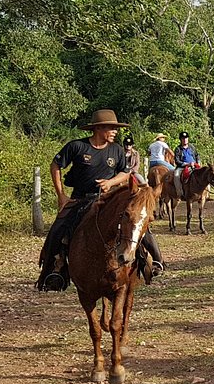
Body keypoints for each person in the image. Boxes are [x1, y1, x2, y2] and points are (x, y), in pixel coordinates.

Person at [36, 109, 164, 291]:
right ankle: (54, 271)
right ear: (98, 129)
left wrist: (111, 182)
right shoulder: (77, 147)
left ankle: (154, 261)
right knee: (59, 229)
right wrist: (61, 195)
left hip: (110, 199)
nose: (115, 131)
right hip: (81, 199)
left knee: (138, 224)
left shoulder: (117, 150)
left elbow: (125, 172)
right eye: (111, 128)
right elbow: (55, 165)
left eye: (115, 128)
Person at [172, 131, 200, 198]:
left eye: (186, 138)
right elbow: (177, 160)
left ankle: (206, 193)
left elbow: (197, 155)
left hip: (194, 165)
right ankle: (180, 193)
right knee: (176, 175)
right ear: (180, 139)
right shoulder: (178, 149)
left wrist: (198, 162)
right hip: (182, 167)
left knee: (205, 173)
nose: (185, 140)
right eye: (183, 138)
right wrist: (187, 164)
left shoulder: (192, 147)